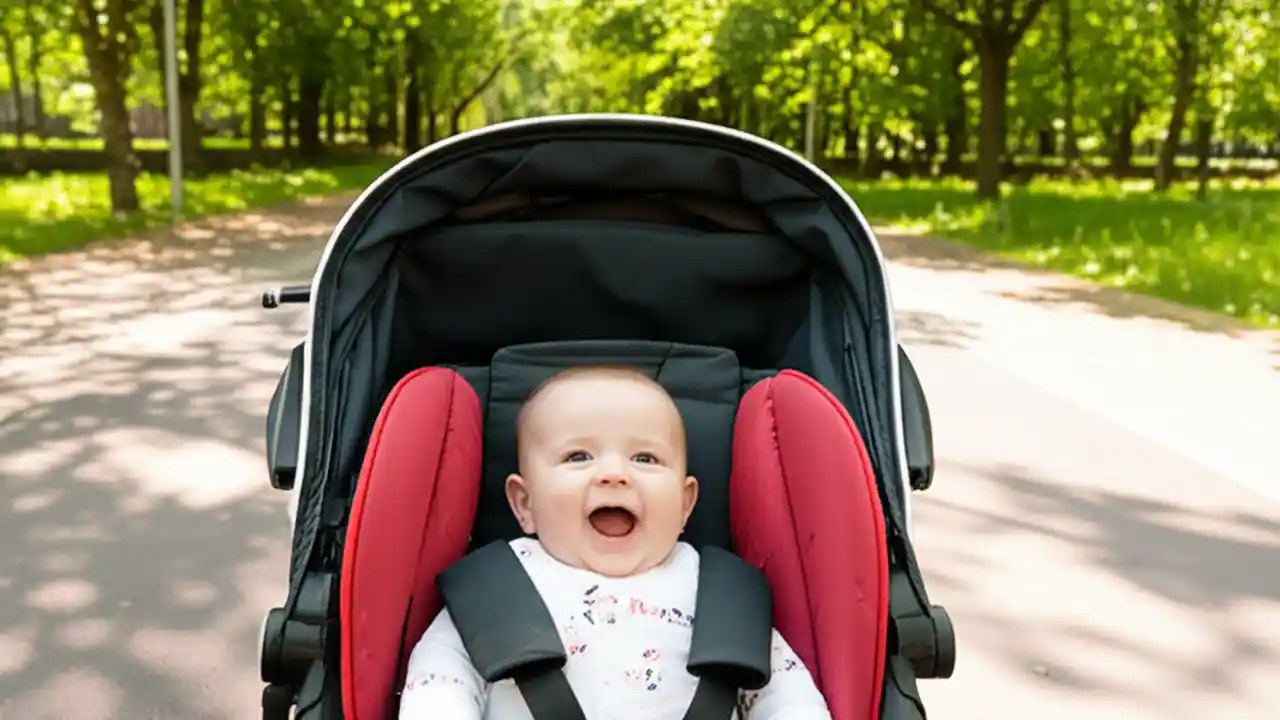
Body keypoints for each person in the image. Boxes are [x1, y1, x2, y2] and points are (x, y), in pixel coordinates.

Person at [398, 366, 832, 719]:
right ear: (524, 503)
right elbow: (440, 680)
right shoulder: (496, 589)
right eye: (578, 457)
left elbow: (785, 695)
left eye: (645, 458)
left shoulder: (718, 592)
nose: (613, 473)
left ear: (685, 505)